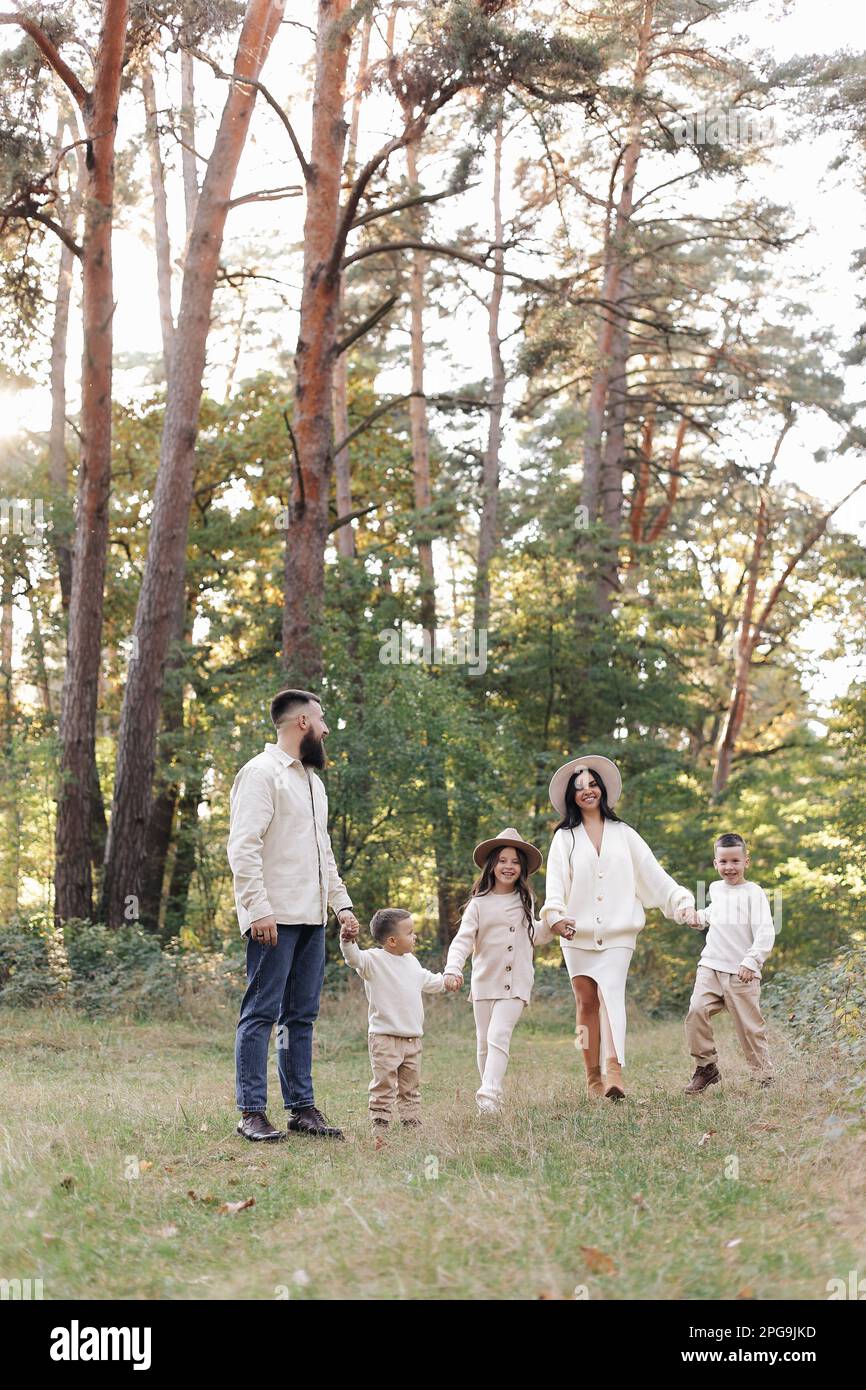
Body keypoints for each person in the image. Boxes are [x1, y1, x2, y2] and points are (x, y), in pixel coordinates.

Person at [228, 688, 360, 1142]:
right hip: (273, 917)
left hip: (310, 919)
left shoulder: (312, 782)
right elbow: (242, 848)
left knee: (300, 1016)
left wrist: (340, 904)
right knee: (261, 1013)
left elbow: (322, 853)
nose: (326, 729)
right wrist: (258, 908)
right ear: (302, 722)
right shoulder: (261, 774)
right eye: (322, 720)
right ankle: (251, 1111)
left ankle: (301, 1108)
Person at [540, 755, 695, 1100]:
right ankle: (591, 1076)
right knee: (584, 1004)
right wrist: (556, 916)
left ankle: (615, 1073)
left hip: (618, 935)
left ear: (603, 789)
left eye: (593, 784)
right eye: (579, 788)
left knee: (611, 996)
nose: (587, 791)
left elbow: (654, 875)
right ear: (571, 797)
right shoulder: (565, 838)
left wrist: (681, 902)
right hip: (574, 935)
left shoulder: (625, 834)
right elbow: (555, 884)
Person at [444, 828, 574, 1115]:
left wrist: (555, 926)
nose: (508, 866)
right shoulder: (478, 904)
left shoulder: (525, 901)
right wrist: (453, 968)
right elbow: (463, 940)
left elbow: (534, 935)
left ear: (522, 869)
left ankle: (488, 1098)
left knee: (498, 1036)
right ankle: (493, 1097)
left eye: (515, 862)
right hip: (484, 983)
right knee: (483, 1044)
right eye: (503, 860)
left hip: (515, 983)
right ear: (492, 865)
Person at [340, 907, 452, 1131]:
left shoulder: (411, 961)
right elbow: (354, 959)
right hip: (384, 1037)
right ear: (392, 940)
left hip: (412, 1039)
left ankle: (411, 1119)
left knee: (411, 1084)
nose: (415, 936)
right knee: (384, 1083)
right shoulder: (373, 960)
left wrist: (446, 981)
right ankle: (380, 1121)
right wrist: (347, 941)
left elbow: (427, 980)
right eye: (410, 932)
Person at [681, 832, 775, 1093]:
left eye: (735, 861)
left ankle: (763, 1076)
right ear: (715, 863)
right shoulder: (715, 889)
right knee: (696, 1011)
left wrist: (752, 961)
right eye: (723, 862)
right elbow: (715, 914)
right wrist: (697, 917)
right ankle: (706, 1067)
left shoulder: (753, 893)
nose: (729, 867)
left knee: (749, 1027)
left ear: (747, 861)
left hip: (741, 972)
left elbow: (766, 931)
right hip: (710, 965)